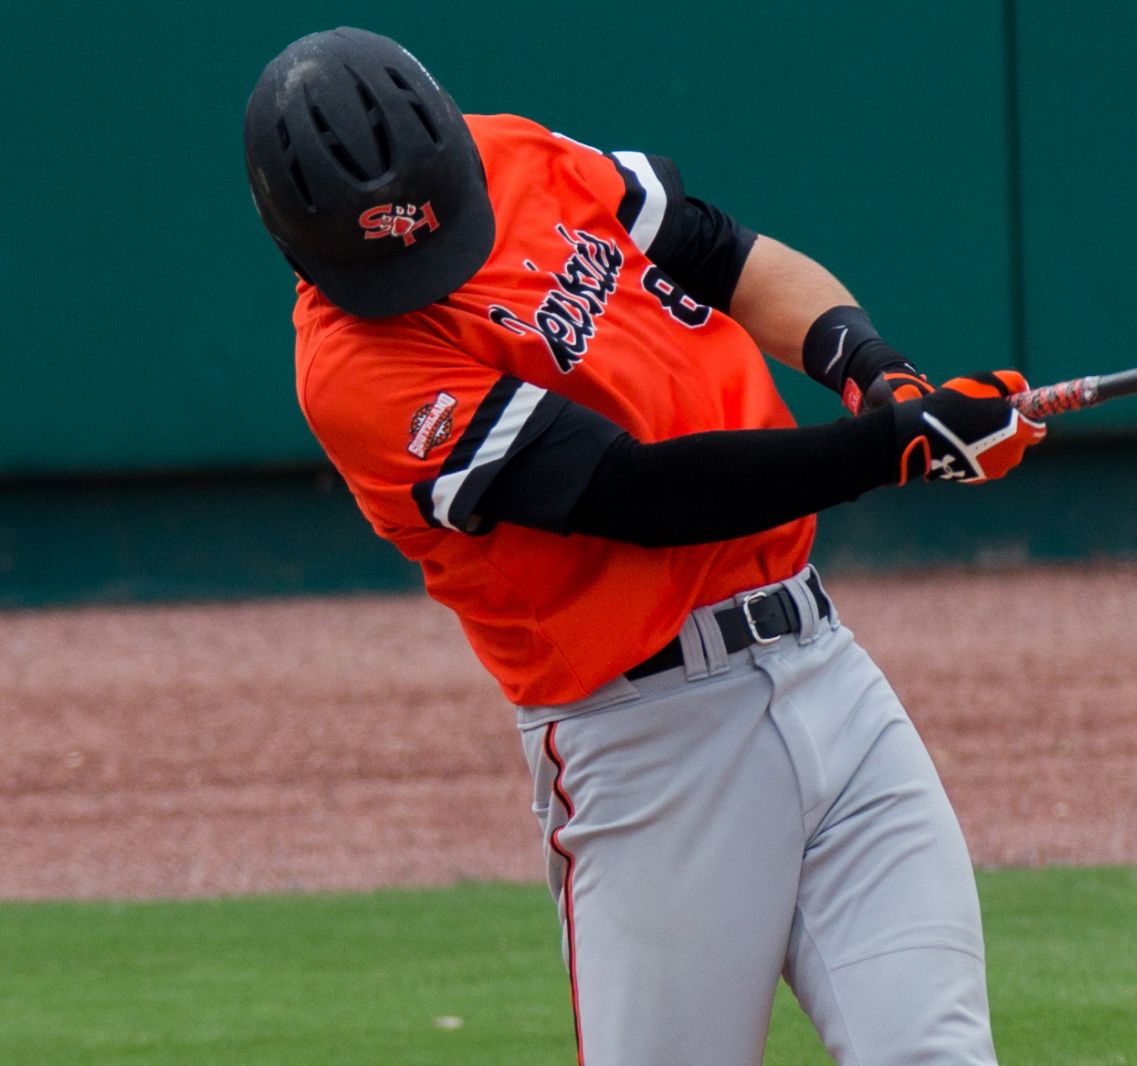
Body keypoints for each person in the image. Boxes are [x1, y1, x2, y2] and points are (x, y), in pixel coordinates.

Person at [243, 26, 1043, 1065]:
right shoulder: (357, 375)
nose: (422, 275)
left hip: (828, 677)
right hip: (648, 747)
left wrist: (877, 375)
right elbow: (638, 493)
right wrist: (885, 451)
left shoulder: (518, 156)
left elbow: (723, 254)